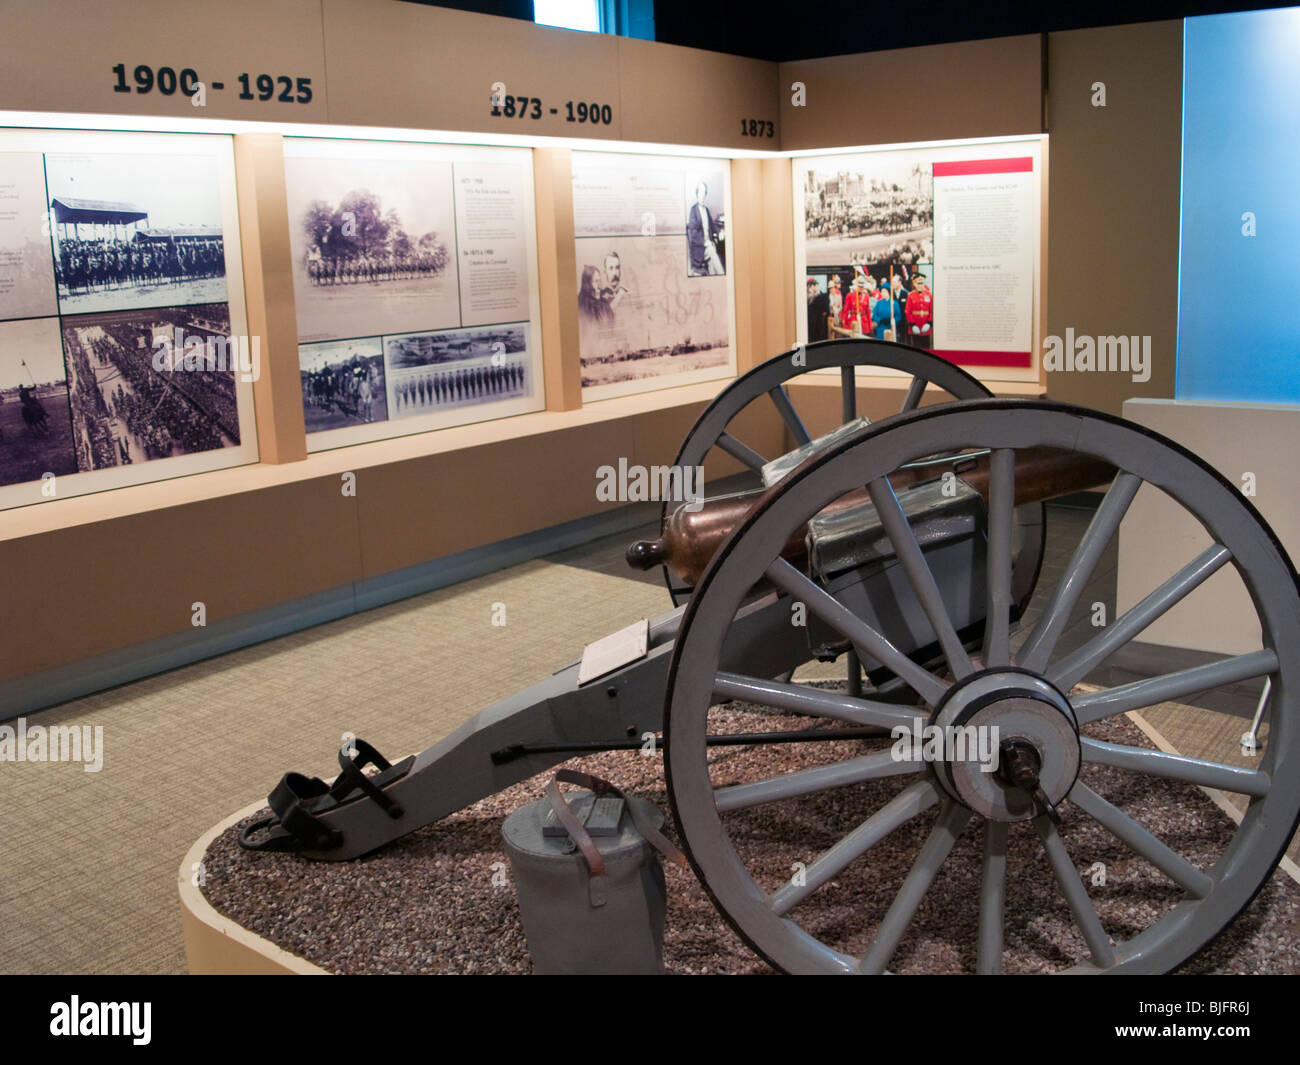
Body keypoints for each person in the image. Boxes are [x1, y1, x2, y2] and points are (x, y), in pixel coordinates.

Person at [686, 181, 724, 276]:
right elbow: (693, 234)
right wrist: (705, 242)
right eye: (700, 192)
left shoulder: (706, 210)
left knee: (712, 265)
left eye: (704, 192)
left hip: (708, 246)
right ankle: (722, 274)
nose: (702, 195)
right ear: (697, 194)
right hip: (699, 248)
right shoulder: (693, 210)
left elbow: (713, 225)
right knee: (712, 252)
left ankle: (716, 278)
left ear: (705, 194)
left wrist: (720, 232)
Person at [905, 273, 934, 349]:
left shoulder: (929, 295)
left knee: (926, 348)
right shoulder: (911, 296)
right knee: (916, 348)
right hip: (915, 325)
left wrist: (929, 323)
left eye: (921, 283)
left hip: (925, 325)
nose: (920, 285)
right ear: (915, 284)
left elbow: (931, 311)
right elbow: (908, 311)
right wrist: (912, 324)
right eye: (918, 283)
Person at [806, 277, 830, 342]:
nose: (817, 287)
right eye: (816, 286)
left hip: (815, 319)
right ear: (811, 286)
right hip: (812, 319)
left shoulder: (816, 295)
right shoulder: (810, 295)